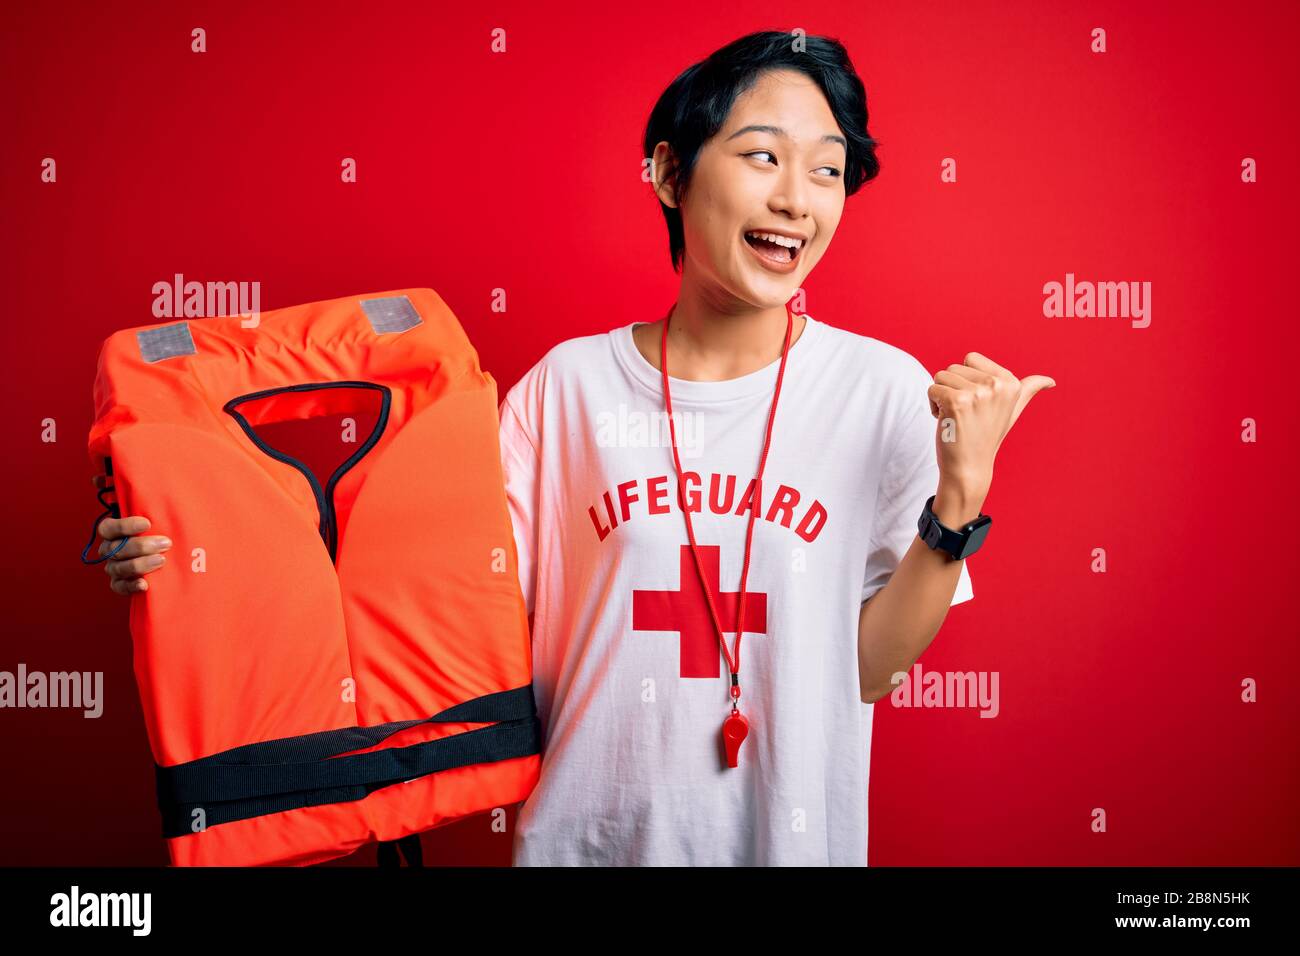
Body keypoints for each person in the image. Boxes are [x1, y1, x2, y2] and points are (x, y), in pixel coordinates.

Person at [94, 30, 1052, 865]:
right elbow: (441, 609)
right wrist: (193, 562)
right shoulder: (566, 389)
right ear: (671, 173)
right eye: (762, 156)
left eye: (828, 168)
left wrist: (956, 505)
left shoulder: (881, 392)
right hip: (587, 840)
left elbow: (871, 670)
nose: (798, 198)